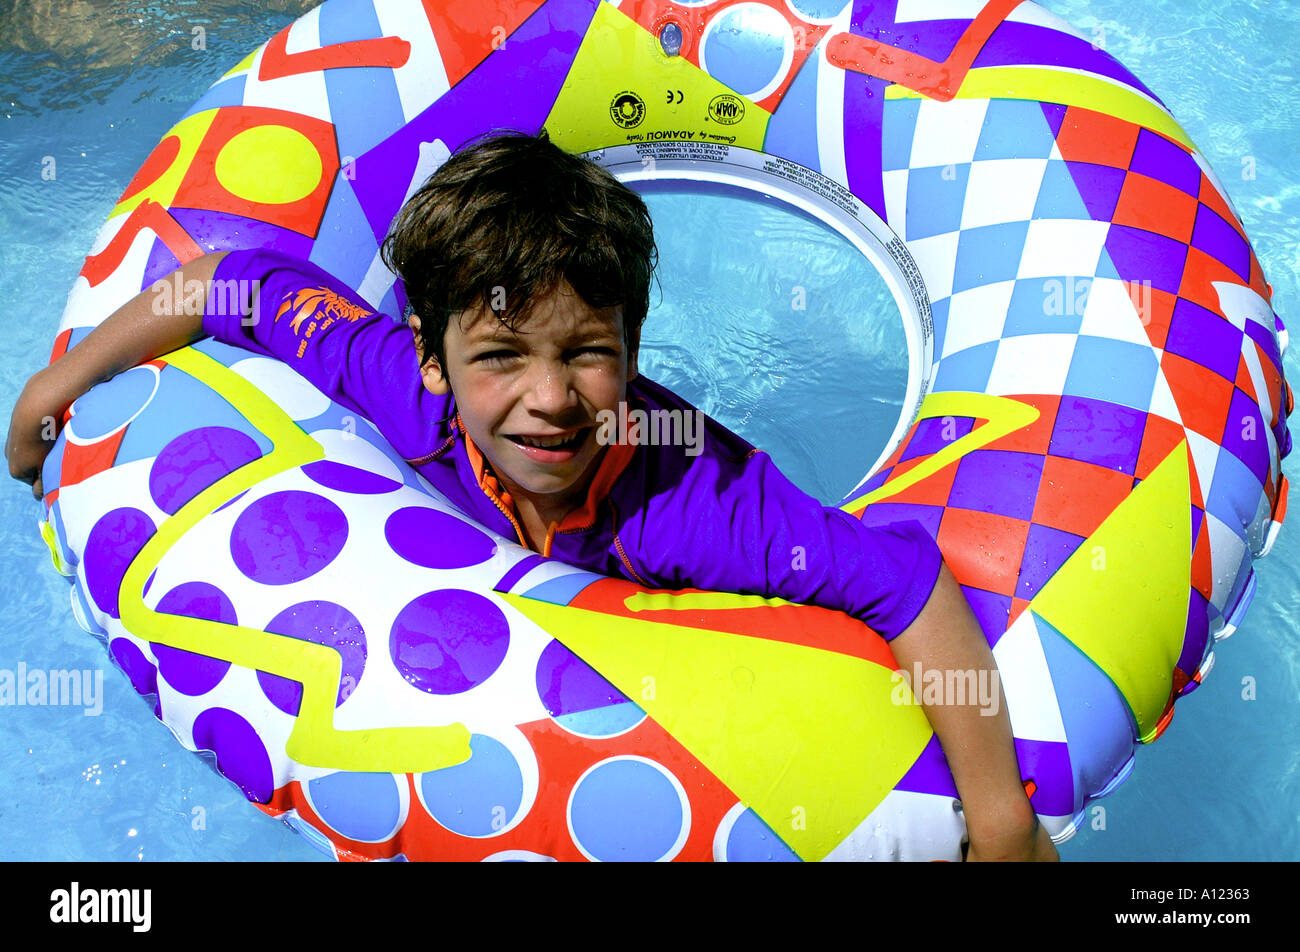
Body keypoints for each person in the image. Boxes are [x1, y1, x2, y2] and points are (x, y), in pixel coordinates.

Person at [7, 129, 1057, 861]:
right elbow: (237, 285)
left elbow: (907, 585)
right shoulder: (399, 387)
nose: (549, 399)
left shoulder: (695, 505)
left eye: (589, 354)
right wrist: (64, 383)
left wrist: (1001, 820)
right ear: (433, 357)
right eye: (501, 354)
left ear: (632, 346)